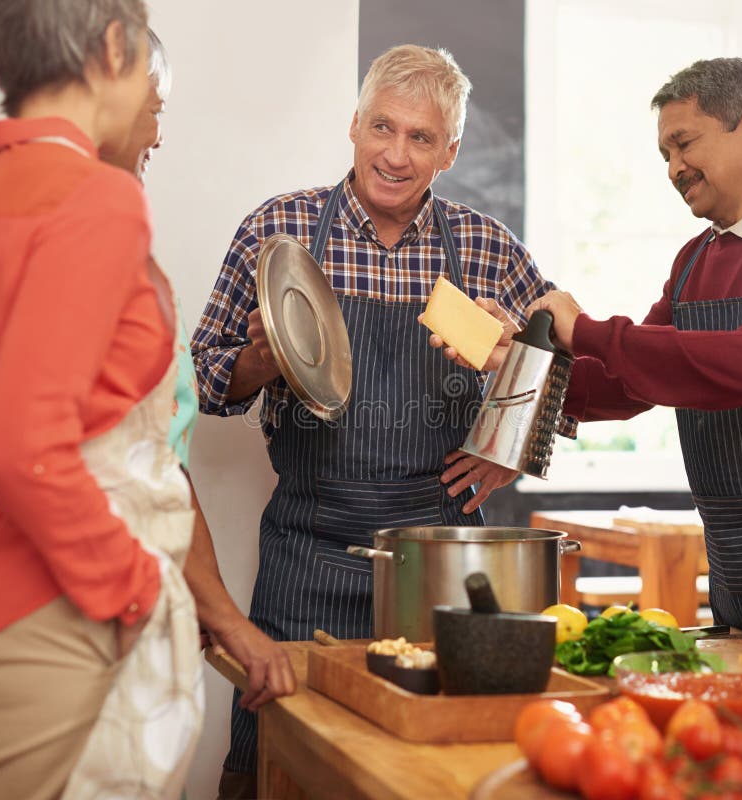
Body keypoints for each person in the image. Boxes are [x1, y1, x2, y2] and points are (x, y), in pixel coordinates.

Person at [192, 43, 559, 795]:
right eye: (383, 128)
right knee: (279, 754)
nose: (396, 154)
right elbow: (201, 378)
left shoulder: (487, 250)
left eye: (421, 137)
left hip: (442, 555)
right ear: (354, 125)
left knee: (436, 765)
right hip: (308, 550)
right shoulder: (282, 231)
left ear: (450, 149)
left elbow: (566, 384)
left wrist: (510, 439)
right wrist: (265, 359)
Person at [0, 2, 202, 797]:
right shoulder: (96, 198)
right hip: (50, 607)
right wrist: (132, 584)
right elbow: (23, 442)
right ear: (116, 46)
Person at [524, 57, 742, 633]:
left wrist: (591, 331)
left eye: (683, 143)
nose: (674, 168)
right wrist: (520, 365)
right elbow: (626, 388)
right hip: (738, 578)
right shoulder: (694, 259)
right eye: (665, 155)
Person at [101, 26, 296, 713]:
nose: (158, 133)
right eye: (154, 108)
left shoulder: (129, 249)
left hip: (144, 588)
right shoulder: (83, 249)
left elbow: (164, 465)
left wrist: (206, 605)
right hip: (85, 606)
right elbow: (132, 467)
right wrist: (233, 621)